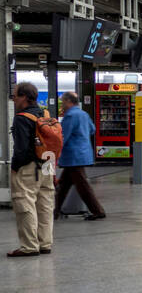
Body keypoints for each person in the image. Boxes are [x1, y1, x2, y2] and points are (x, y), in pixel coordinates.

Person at [8, 81, 56, 257]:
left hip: (29, 167)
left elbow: (21, 150)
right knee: (45, 205)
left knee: (25, 203)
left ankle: (29, 246)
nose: (13, 99)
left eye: (15, 95)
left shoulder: (21, 117)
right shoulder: (45, 113)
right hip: (47, 164)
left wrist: (14, 168)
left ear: (24, 98)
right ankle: (45, 243)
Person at [53, 92, 107, 221]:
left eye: (63, 101)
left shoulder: (70, 115)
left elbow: (63, 136)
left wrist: (55, 151)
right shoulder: (84, 114)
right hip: (82, 153)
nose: (62, 104)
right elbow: (92, 129)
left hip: (73, 156)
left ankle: (98, 211)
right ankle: (54, 211)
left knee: (82, 186)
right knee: (64, 185)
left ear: (68, 101)